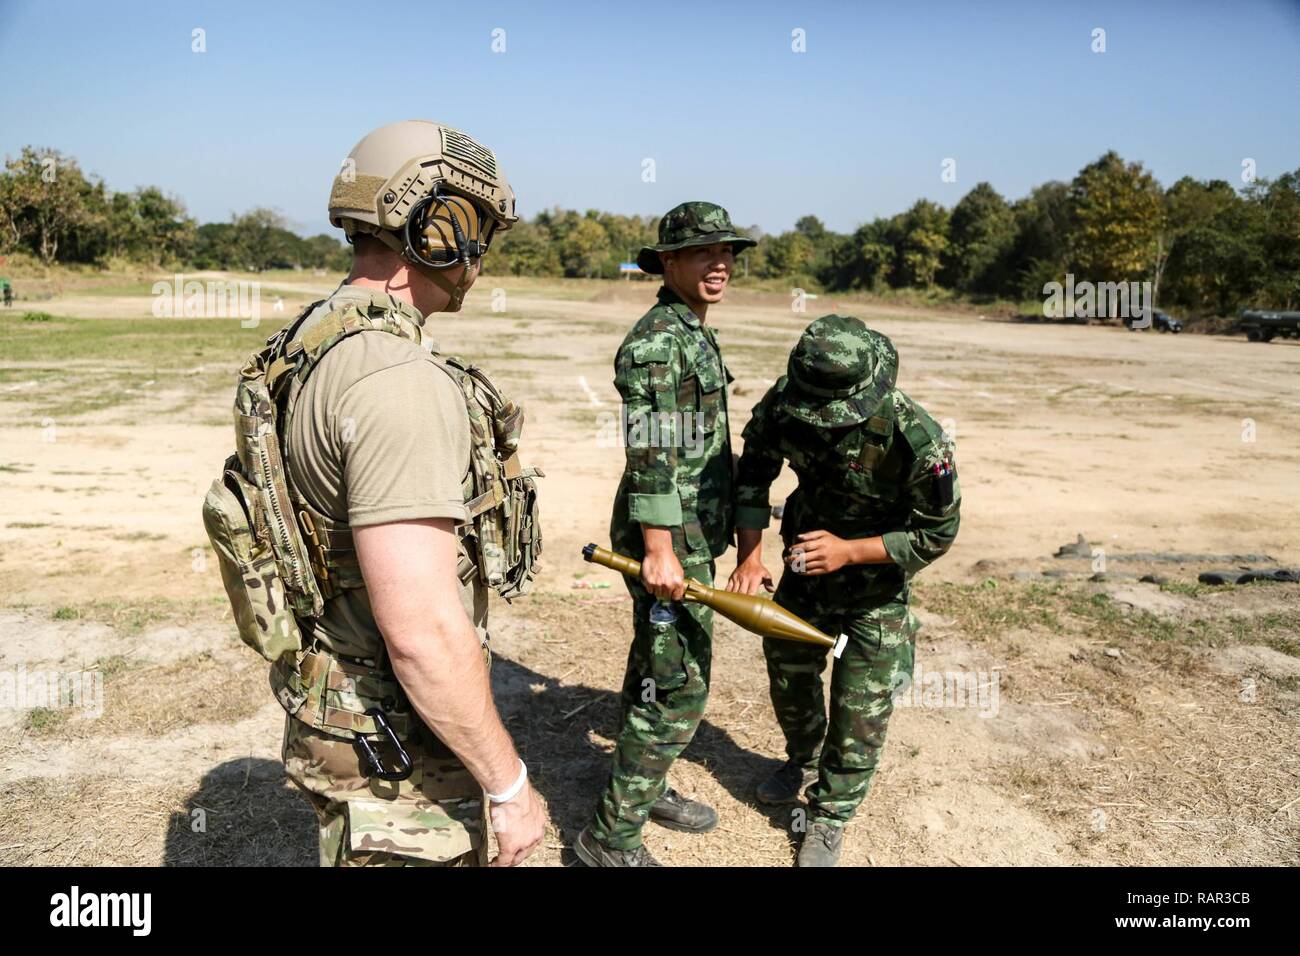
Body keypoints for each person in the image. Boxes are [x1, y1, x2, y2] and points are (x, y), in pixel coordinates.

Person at [224, 120, 546, 867]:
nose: (482, 254)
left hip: (341, 711)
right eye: (480, 226)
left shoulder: (310, 343)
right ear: (439, 223)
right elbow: (422, 631)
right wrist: (509, 785)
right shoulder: (397, 380)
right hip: (396, 747)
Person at [728, 314, 961, 866]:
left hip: (875, 585)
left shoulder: (916, 439)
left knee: (861, 701)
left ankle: (830, 814)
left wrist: (850, 550)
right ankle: (802, 760)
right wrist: (749, 554)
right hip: (806, 568)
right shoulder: (791, 399)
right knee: (789, 670)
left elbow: (938, 531)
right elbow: (754, 471)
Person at [573, 202, 755, 867]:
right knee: (681, 684)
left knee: (655, 666)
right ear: (669, 262)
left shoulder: (692, 331)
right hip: (667, 535)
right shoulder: (656, 341)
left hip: (691, 529)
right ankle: (609, 838)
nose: (721, 264)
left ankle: (643, 789)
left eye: (728, 252)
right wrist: (658, 549)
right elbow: (650, 449)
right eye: (705, 253)